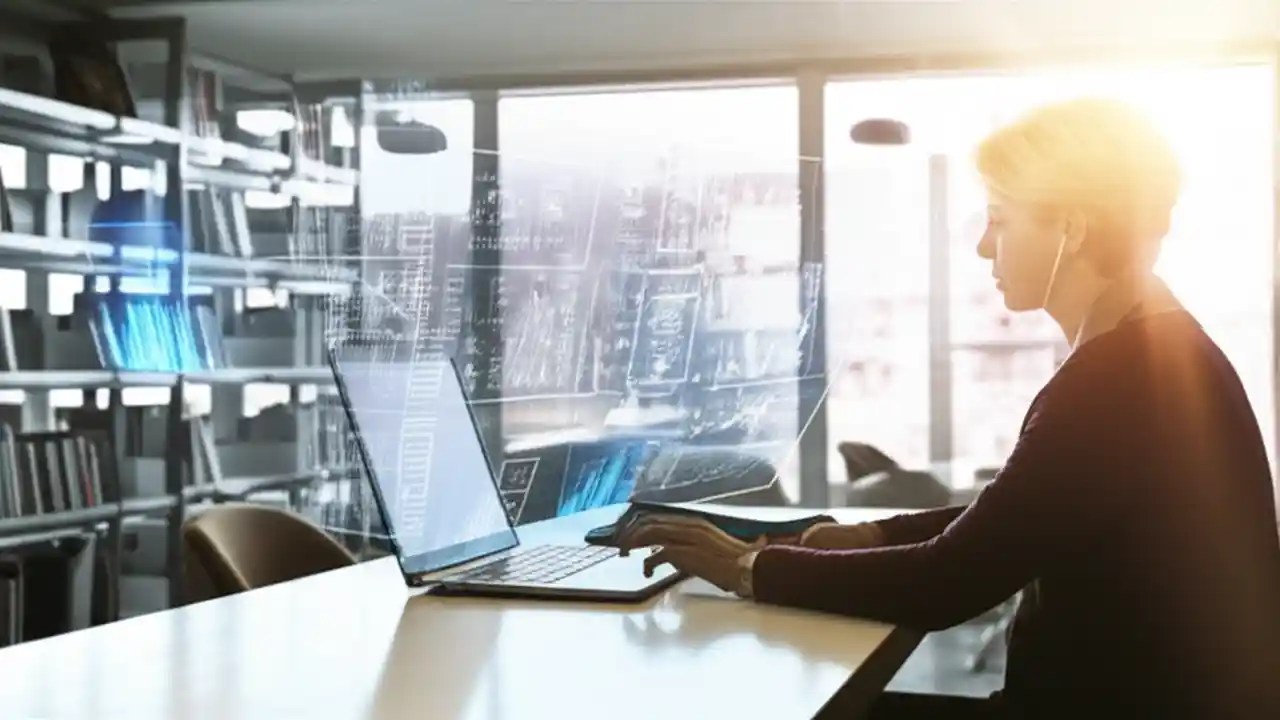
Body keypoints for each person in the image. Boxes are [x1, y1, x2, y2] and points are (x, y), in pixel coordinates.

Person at [617, 98, 1280, 719]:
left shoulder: (1115, 380)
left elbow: (945, 585)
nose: (984, 246)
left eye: (1000, 218)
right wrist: (873, 535)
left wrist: (743, 566)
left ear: (1072, 229)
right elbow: (1028, 514)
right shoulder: (1161, 353)